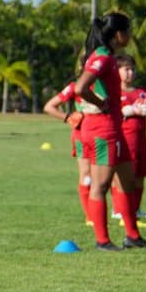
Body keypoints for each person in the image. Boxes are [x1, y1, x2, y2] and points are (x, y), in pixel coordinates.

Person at [72, 13, 145, 249]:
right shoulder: (102, 57)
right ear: (118, 34)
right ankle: (102, 240)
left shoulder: (110, 57)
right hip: (102, 129)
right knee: (100, 186)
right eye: (129, 30)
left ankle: (132, 236)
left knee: (127, 182)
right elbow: (81, 87)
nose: (131, 35)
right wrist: (100, 102)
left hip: (115, 127)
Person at [40, 77, 90, 226]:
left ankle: (121, 212)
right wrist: (68, 118)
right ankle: (91, 216)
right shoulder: (75, 87)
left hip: (105, 133)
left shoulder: (109, 85)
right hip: (82, 135)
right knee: (87, 175)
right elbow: (49, 107)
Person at [113, 55, 146, 224]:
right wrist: (129, 110)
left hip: (140, 140)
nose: (130, 73)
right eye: (126, 69)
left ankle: (135, 209)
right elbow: (112, 113)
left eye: (132, 69)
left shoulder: (141, 92)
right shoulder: (116, 92)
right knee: (123, 176)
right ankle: (119, 209)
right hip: (124, 139)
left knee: (140, 175)